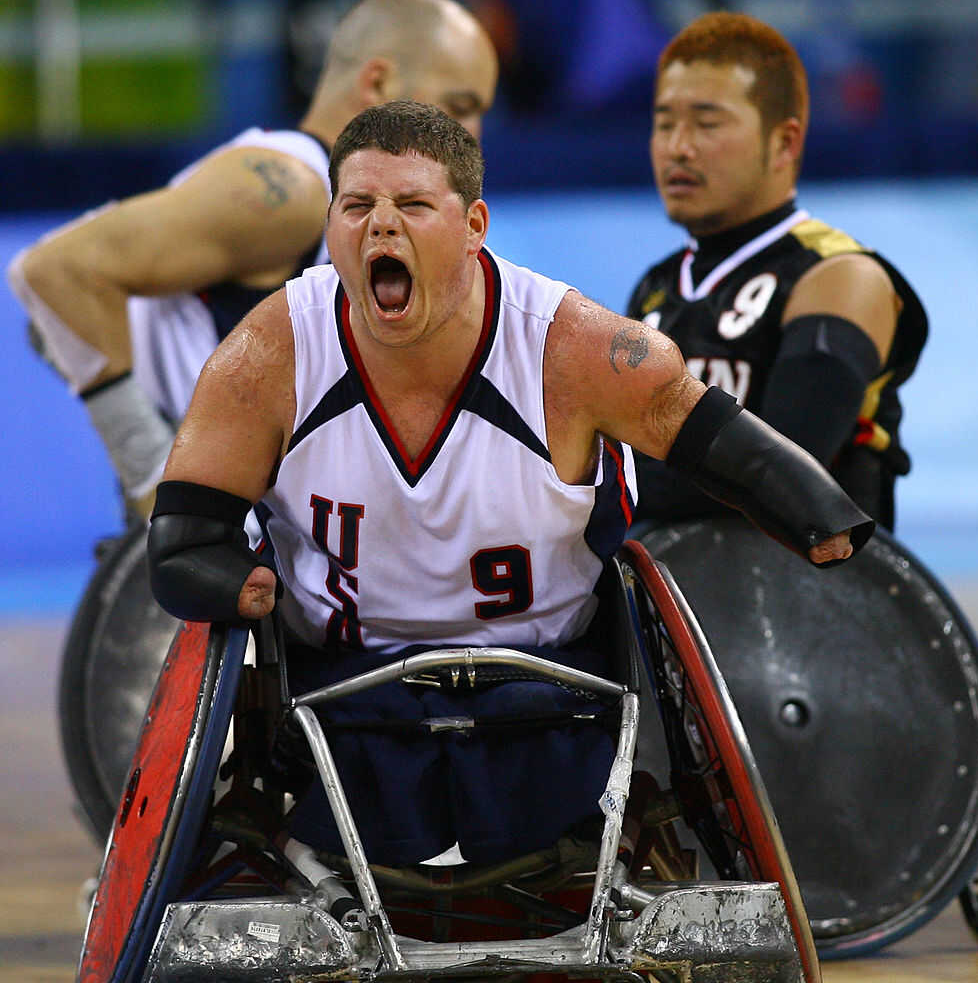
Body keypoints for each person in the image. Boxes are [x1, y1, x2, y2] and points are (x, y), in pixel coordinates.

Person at [146, 100, 872, 867]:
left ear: (474, 225)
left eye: (413, 205)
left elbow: (717, 440)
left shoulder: (572, 344)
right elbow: (184, 538)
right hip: (337, 699)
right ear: (331, 225)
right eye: (356, 206)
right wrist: (233, 587)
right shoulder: (272, 348)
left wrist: (818, 514)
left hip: (555, 696)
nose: (380, 227)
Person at [6, 0, 498, 520]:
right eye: (458, 106)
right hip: (236, 545)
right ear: (379, 82)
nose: (472, 135)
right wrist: (152, 474)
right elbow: (56, 271)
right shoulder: (286, 191)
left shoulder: (339, 200)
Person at [627, 12, 928, 531]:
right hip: (679, 594)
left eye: (706, 122)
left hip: (815, 597)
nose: (678, 146)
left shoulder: (839, 275)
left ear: (784, 143)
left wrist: (591, 490)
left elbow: (783, 470)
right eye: (664, 122)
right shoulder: (656, 290)